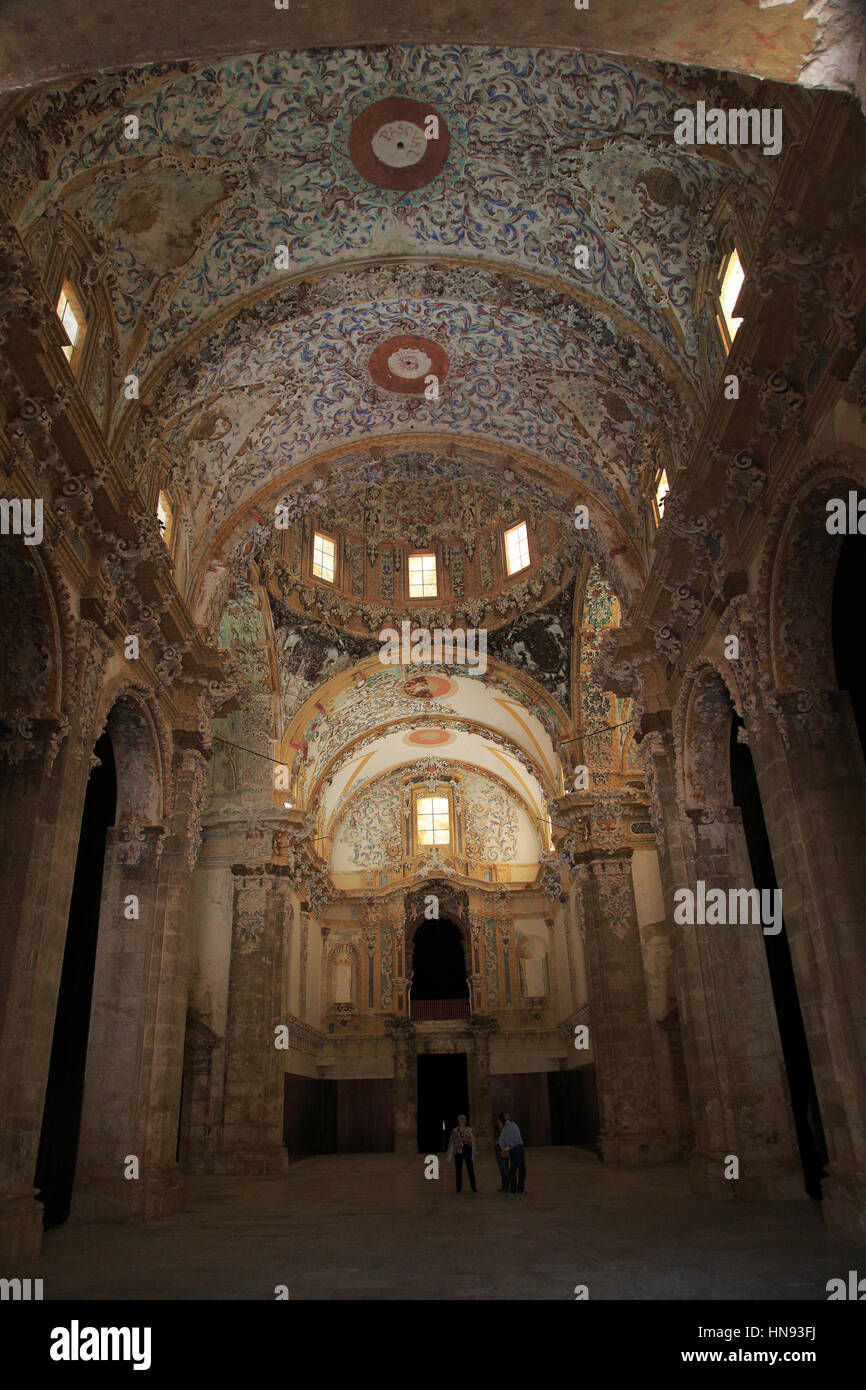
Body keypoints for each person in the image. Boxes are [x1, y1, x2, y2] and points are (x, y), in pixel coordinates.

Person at [446, 1114, 478, 1193]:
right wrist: (464, 1139)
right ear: (458, 1120)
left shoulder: (469, 1130)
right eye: (460, 1119)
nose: (462, 1121)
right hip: (458, 1151)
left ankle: (473, 1187)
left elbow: (472, 1141)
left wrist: (462, 1140)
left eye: (463, 1119)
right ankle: (458, 1187)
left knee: (470, 1169)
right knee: (458, 1170)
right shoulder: (455, 1130)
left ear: (465, 1120)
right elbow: (454, 1141)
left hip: (467, 1150)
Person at [498, 1111, 526, 1195]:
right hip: (519, 1149)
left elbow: (501, 1142)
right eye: (507, 1115)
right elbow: (518, 1137)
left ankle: (513, 1189)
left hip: (512, 1150)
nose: (509, 1116)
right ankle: (520, 1190)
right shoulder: (513, 1125)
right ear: (505, 1117)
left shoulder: (503, 1130)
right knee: (522, 1170)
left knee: (513, 1170)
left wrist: (505, 1149)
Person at [493, 1113, 509, 1192]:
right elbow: (495, 1138)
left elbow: (506, 1140)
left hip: (504, 1151)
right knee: (501, 1170)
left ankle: (508, 1186)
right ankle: (503, 1186)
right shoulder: (496, 1128)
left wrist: (498, 1142)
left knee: (505, 1169)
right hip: (497, 1151)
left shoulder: (506, 1129)